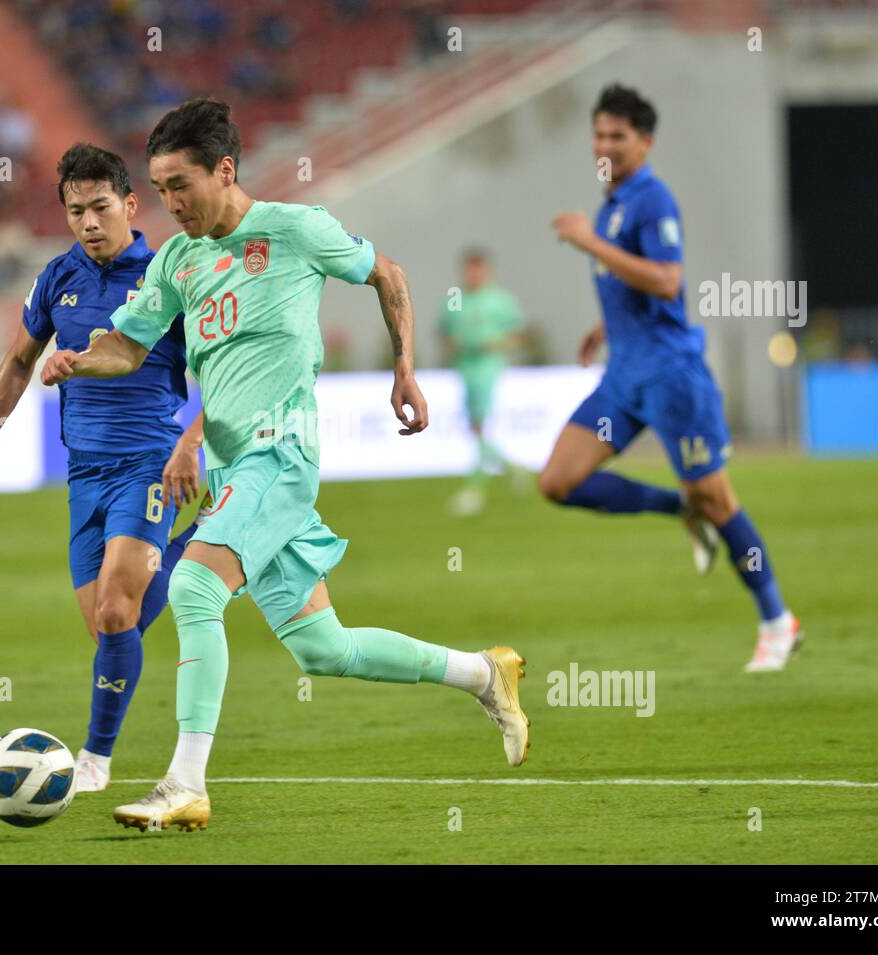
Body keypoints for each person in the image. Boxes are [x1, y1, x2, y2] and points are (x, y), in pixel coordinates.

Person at [41, 98, 530, 832]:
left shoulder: (298, 231)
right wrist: (79, 360)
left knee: (197, 584)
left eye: (182, 185)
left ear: (226, 170)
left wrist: (404, 366)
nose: (171, 204)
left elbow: (387, 274)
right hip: (239, 464)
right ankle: (483, 672)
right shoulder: (177, 259)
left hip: (283, 450)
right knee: (323, 648)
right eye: (162, 188)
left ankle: (184, 783)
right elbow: (131, 345)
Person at [0, 143, 203, 793]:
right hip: (83, 474)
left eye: (99, 207)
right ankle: (200, 550)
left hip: (148, 462)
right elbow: (15, 361)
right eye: (75, 211)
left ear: (129, 204)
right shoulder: (58, 277)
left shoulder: (169, 274)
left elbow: (218, 368)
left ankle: (95, 758)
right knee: (108, 626)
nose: (89, 222)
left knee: (119, 612)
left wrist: (192, 443)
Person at [542, 83, 799, 673]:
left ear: (645, 142)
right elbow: (632, 287)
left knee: (721, 499)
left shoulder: (652, 199)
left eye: (618, 136)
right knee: (558, 481)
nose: (605, 144)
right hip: (624, 378)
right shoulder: (612, 203)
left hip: (671, 379)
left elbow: (665, 280)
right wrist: (604, 327)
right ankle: (679, 509)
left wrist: (589, 242)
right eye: (599, 133)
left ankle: (777, 619)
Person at [439, 247, 530, 516]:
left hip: (488, 369)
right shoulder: (455, 298)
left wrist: (494, 345)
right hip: (464, 369)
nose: (474, 274)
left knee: (479, 425)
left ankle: (474, 489)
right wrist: (453, 345)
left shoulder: (500, 300)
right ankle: (513, 468)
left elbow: (519, 333)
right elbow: (445, 331)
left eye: (479, 268)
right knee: (475, 428)